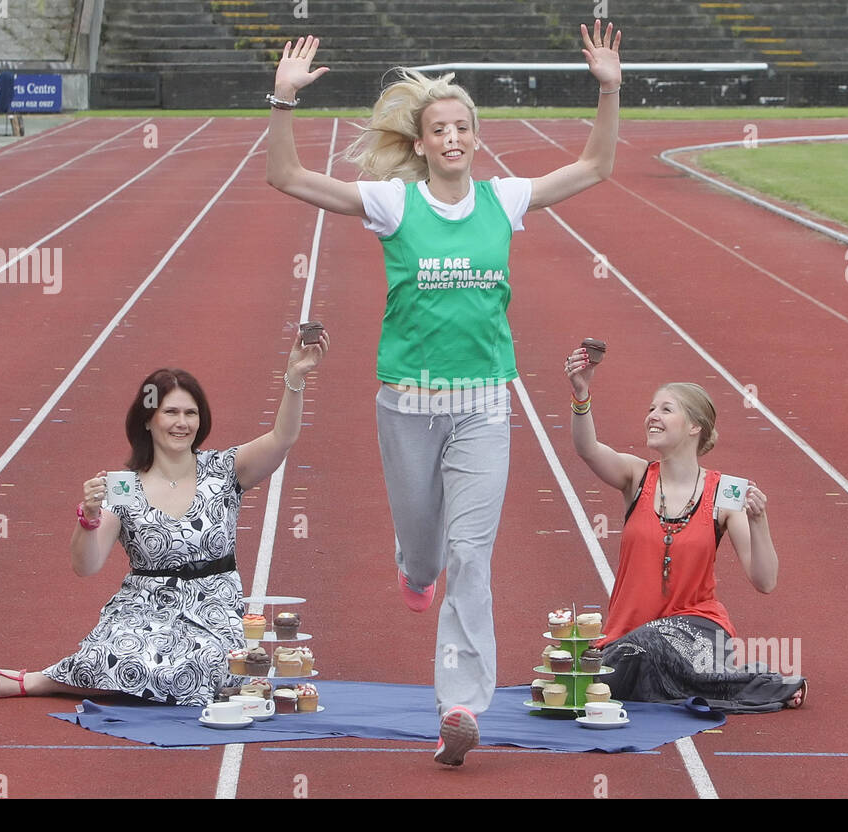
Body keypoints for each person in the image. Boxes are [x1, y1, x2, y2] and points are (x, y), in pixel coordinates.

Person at [266, 21, 623, 765]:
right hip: (407, 403)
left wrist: (610, 87)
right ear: (422, 144)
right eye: (440, 129)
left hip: (485, 403)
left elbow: (593, 167)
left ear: (474, 139)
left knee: (472, 553)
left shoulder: (506, 199)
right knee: (427, 549)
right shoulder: (396, 205)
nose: (454, 138)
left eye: (464, 127)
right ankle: (413, 567)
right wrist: (282, 102)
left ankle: (459, 705)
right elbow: (290, 180)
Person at [0, 334, 328, 705]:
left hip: (212, 606)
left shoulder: (224, 468)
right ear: (148, 420)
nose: (182, 423)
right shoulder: (124, 487)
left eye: (190, 413)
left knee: (209, 663)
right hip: (143, 607)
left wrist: (295, 378)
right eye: (171, 413)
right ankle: (40, 681)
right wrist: (89, 518)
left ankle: (96, 681)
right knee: (114, 655)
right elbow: (87, 565)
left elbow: (282, 437)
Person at [564, 345, 807, 712]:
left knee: (638, 653)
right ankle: (698, 683)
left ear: (694, 426)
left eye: (666, 409)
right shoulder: (636, 476)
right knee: (610, 663)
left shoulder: (724, 493)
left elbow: (765, 581)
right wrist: (581, 393)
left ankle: (770, 686)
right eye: (650, 408)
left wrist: (759, 522)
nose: (652, 416)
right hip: (630, 636)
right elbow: (587, 448)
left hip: (701, 631)